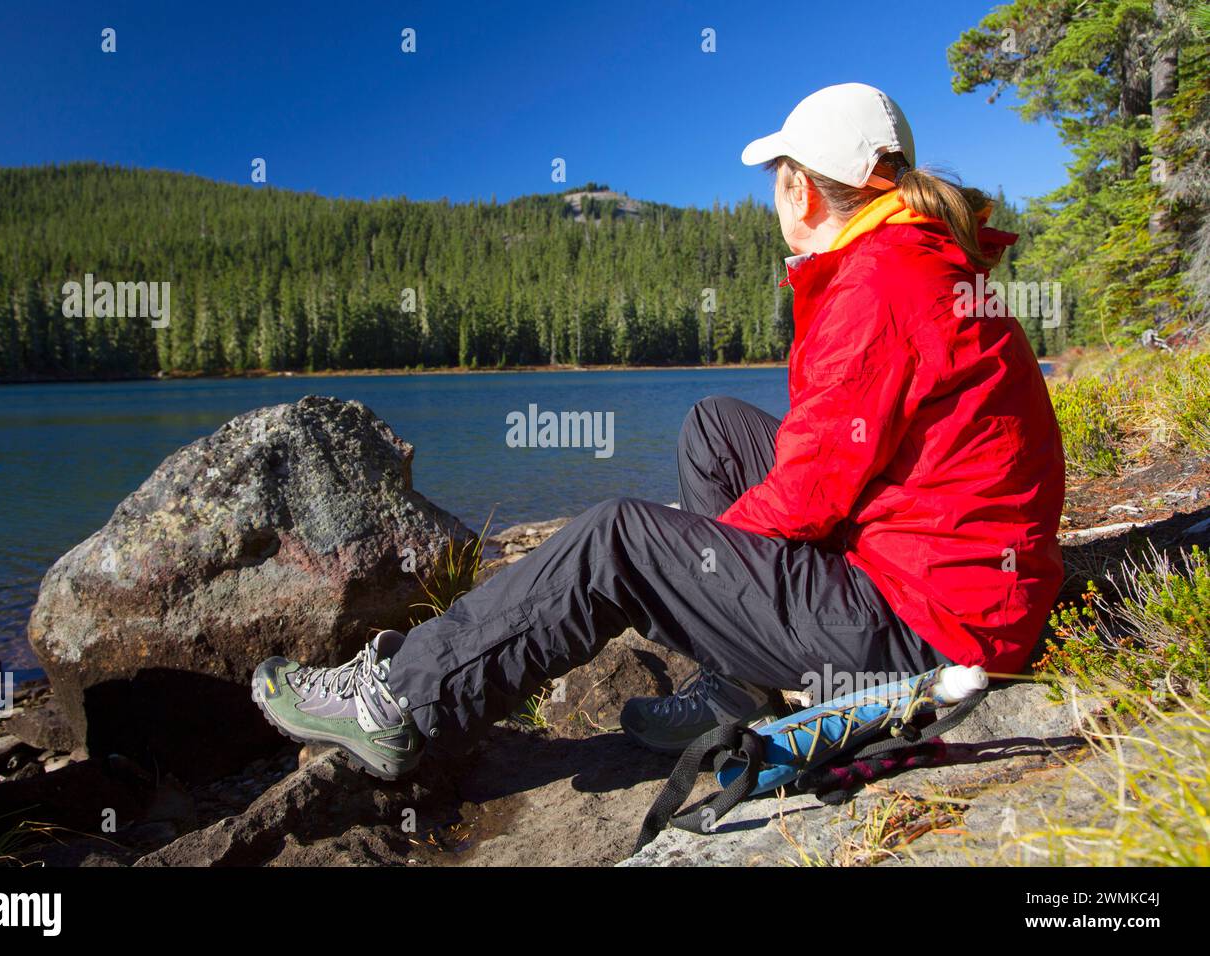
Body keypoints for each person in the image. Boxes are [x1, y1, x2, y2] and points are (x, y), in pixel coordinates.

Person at [251, 82, 1066, 782]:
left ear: (803, 193)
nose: (774, 196)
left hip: (925, 630)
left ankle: (400, 701)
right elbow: (842, 463)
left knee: (619, 540)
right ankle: (738, 684)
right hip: (953, 592)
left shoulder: (878, 285)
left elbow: (811, 494)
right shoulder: (909, 258)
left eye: (778, 179)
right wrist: (722, 577)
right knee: (715, 429)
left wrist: (695, 567)